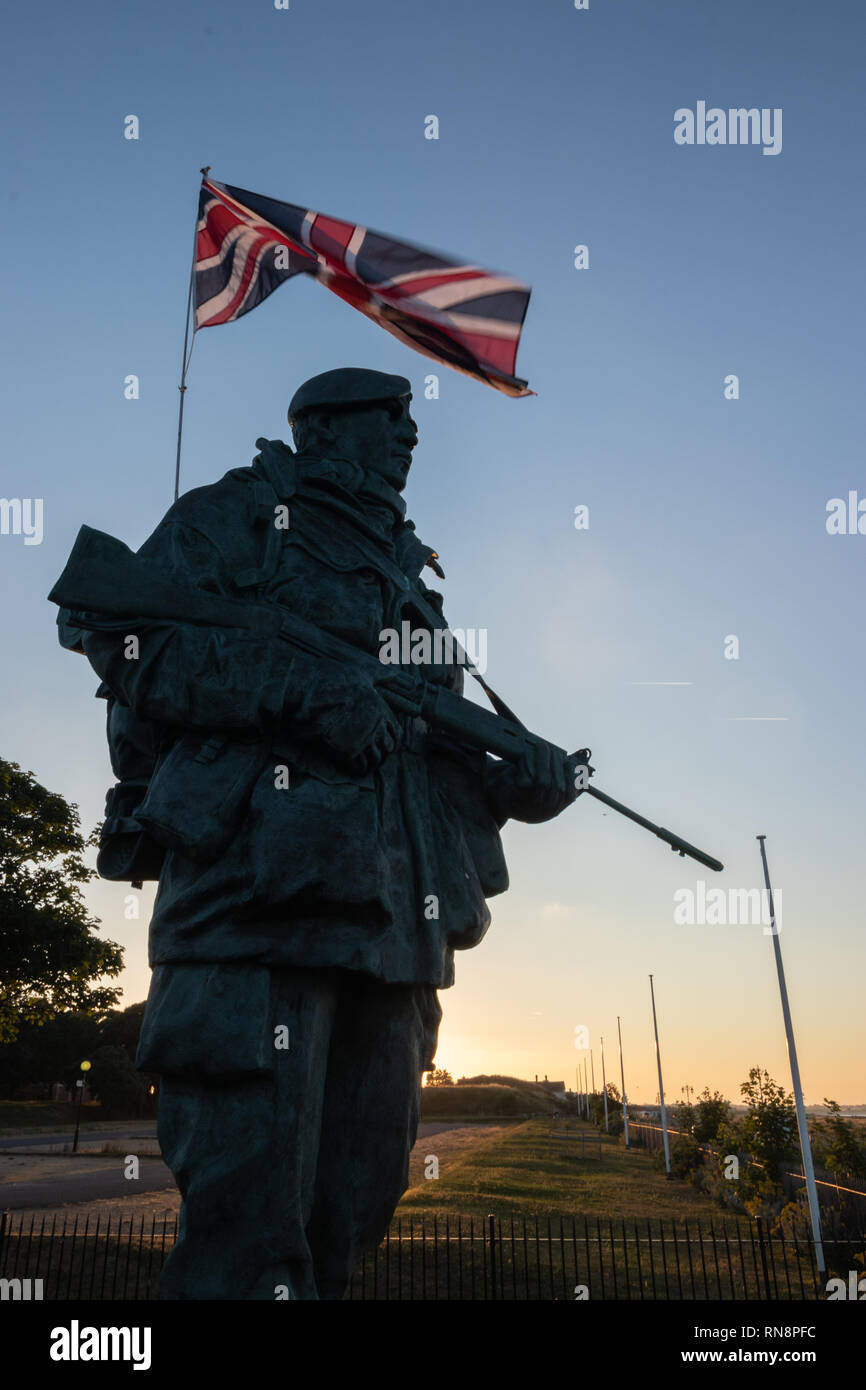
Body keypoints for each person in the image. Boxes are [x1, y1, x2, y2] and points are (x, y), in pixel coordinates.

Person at [67, 367, 578, 1299]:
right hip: (254, 914)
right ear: (322, 430)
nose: (408, 436)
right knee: (249, 1233)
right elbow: (128, 636)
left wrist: (514, 786)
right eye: (387, 419)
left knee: (355, 1206)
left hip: (394, 933)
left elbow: (425, 745)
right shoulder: (240, 517)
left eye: (410, 424)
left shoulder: (408, 576)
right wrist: (303, 692)